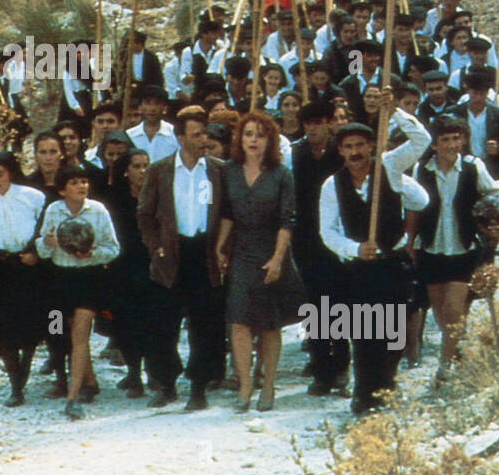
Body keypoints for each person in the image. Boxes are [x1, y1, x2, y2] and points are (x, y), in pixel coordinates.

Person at [319, 92, 431, 414]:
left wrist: (392, 109)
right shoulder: (332, 186)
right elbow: (327, 232)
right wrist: (355, 248)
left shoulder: (390, 166)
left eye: (360, 146)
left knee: (393, 334)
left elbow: (421, 140)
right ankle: (365, 395)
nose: (355, 153)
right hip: (358, 269)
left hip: (392, 266)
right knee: (364, 333)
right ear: (341, 151)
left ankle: (387, 386)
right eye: (349, 147)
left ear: (371, 146)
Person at [136, 106, 226, 410]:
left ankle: (199, 386)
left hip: (204, 253)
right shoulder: (160, 170)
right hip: (170, 255)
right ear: (180, 137)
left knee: (205, 324)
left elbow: (225, 212)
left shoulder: (217, 170)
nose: (203, 139)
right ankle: (166, 383)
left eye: (205, 133)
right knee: (163, 323)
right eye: (196, 134)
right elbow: (145, 214)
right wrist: (155, 246)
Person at [414, 116, 499, 384]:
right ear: (434, 145)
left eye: (456, 138)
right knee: (442, 315)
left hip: (463, 248)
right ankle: (457, 352)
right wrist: (410, 242)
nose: (451, 145)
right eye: (444, 140)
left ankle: (443, 371)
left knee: (455, 310)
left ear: (464, 140)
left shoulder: (472, 167)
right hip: (431, 250)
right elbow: (409, 205)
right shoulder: (422, 170)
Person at [215, 111, 300, 412]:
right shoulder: (229, 170)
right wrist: (219, 247)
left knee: (268, 325)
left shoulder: (281, 174)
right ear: (240, 138)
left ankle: (268, 386)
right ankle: (245, 387)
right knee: (238, 321)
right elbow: (226, 213)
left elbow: (287, 220)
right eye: (248, 134)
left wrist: (278, 259)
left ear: (270, 141)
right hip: (241, 250)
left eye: (260, 135)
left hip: (271, 250)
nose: (253, 140)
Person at [35, 162, 120, 420]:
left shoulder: (98, 211)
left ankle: (73, 398)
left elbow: (114, 249)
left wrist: (93, 254)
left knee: (81, 335)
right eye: (74, 183)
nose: (81, 186)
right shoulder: (53, 210)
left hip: (89, 279)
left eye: (84, 181)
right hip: (60, 279)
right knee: (60, 330)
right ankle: (90, 382)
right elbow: (41, 249)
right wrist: (47, 243)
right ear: (62, 190)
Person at [0, 152, 48, 406]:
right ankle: (16, 385)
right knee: (2, 328)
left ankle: (25, 372)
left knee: (30, 326)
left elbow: (44, 228)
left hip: (28, 266)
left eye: (0, 174)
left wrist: (34, 252)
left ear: (11, 173)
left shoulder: (33, 196)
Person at [291, 99, 348, 395]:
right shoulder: (297, 153)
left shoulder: (341, 151)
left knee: (337, 302)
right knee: (313, 303)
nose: (313, 128)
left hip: (336, 238)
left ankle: (341, 365)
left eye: (318, 122)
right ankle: (321, 369)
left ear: (329, 123)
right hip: (305, 239)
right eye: (308, 123)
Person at [103, 147, 152, 398]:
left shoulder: (157, 196)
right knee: (126, 322)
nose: (142, 171)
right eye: (136, 166)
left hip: (152, 266)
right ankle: (134, 372)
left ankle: (155, 372)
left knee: (153, 321)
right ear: (125, 171)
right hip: (122, 268)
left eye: (146, 165)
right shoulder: (113, 199)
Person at [453, 69, 499, 180]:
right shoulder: (456, 113)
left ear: (487, 93)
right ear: (468, 92)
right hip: (464, 169)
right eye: (475, 93)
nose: (478, 98)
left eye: (482, 94)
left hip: (493, 170)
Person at [126, 85, 178, 163]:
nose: (152, 108)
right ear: (140, 108)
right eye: (147, 103)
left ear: (164, 108)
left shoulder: (175, 134)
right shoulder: (129, 135)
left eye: (157, 103)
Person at [23, 131, 64, 203]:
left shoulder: (71, 183)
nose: (48, 158)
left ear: (61, 154)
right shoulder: (27, 186)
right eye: (43, 152)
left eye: (53, 152)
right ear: (35, 155)